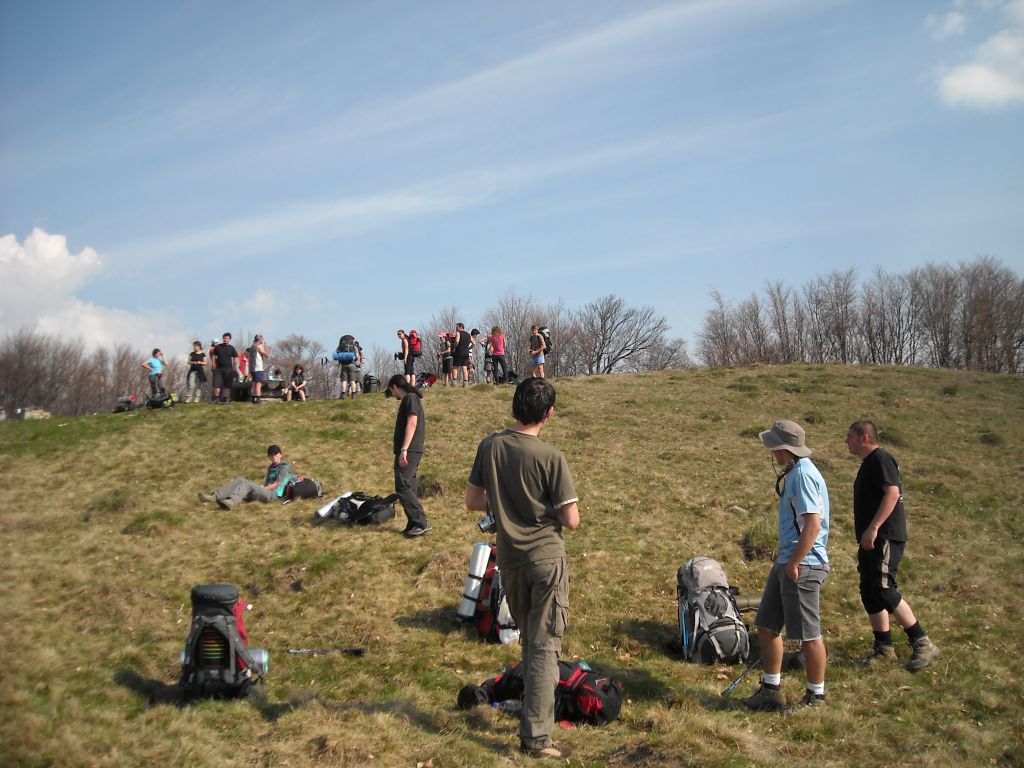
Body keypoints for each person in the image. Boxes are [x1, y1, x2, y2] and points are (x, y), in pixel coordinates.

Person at [465, 377, 580, 759]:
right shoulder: (551, 457)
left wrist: (505, 506)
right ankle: (536, 739)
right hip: (546, 559)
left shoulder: (490, 446)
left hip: (510, 561)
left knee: (531, 642)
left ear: (515, 405)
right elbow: (572, 519)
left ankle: (532, 715)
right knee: (545, 647)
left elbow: (473, 500)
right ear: (548, 413)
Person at [743, 420, 830, 712]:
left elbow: (813, 525)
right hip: (788, 561)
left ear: (781, 448)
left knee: (808, 635)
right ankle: (771, 690)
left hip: (802, 564)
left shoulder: (803, 475)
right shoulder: (794, 472)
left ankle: (815, 696)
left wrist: (794, 563)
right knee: (767, 626)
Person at [845, 420, 940, 671]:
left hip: (885, 536)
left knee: (884, 587)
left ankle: (921, 641)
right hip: (871, 538)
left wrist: (875, 527)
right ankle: (883, 647)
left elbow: (893, 493)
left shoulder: (881, 459)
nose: (846, 442)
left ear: (864, 438)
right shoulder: (869, 463)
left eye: (850, 437)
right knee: (869, 589)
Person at [386, 374, 431, 537]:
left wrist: (404, 449)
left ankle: (421, 521)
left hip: (409, 449)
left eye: (391, 391)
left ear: (395, 387)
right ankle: (413, 522)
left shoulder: (410, 398)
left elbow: (412, 423)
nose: (392, 395)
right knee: (409, 485)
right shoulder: (411, 399)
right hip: (410, 449)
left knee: (402, 485)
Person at [197, 444, 292, 510]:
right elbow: (267, 482)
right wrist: (262, 487)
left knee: (246, 484)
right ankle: (215, 496)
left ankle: (233, 502)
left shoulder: (284, 467)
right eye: (271, 455)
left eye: (275, 454)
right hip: (266, 492)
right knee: (240, 480)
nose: (273, 456)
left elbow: (278, 484)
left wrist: (264, 488)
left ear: (280, 455)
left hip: (275, 495)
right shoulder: (271, 467)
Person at [211, 333, 239, 404]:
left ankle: (224, 399)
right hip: (218, 369)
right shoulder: (218, 347)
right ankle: (215, 399)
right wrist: (213, 364)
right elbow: (214, 356)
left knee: (227, 385)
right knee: (216, 384)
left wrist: (235, 364)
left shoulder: (231, 348)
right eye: (225, 338)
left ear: (229, 339)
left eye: (227, 338)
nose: (226, 339)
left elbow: (236, 357)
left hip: (228, 369)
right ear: (223, 338)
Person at [248, 335, 269, 404]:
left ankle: (253, 399)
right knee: (258, 384)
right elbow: (266, 355)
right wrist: (265, 346)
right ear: (259, 339)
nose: (263, 340)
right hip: (258, 368)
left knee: (254, 384)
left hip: (252, 368)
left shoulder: (252, 346)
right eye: (262, 338)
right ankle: (257, 399)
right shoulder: (258, 346)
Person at [452, 322, 472, 386]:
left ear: (460, 327)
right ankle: (465, 383)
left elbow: (457, 341)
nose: (456, 328)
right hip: (466, 353)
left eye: (457, 327)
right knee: (464, 368)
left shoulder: (458, 333)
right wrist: (468, 348)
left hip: (459, 352)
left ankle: (454, 382)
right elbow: (474, 343)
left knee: (455, 367)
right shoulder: (468, 335)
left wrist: (454, 348)